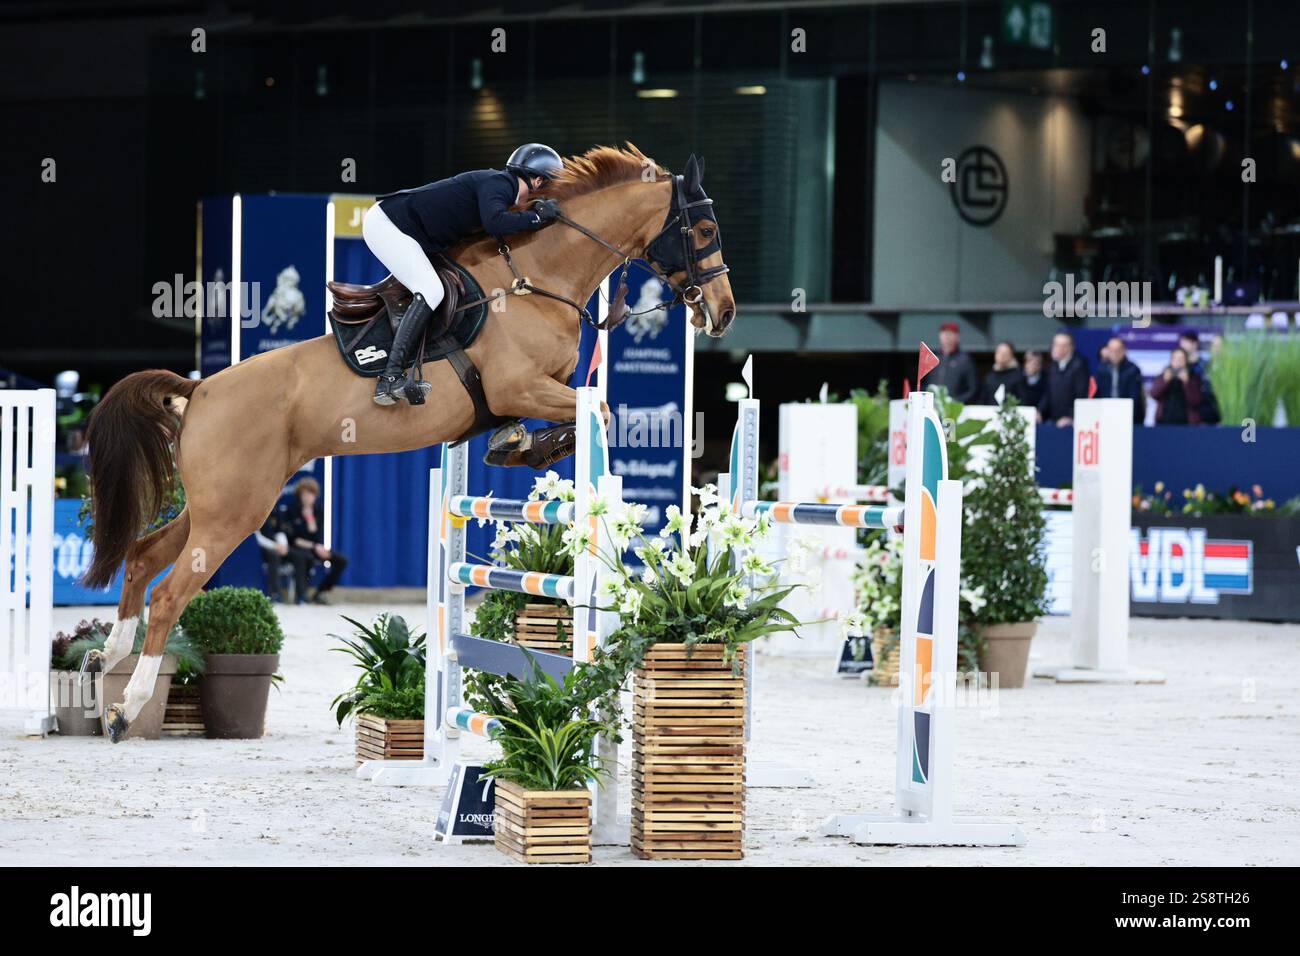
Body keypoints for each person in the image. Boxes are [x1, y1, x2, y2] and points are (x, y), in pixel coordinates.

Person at [362, 144, 565, 406]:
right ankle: (389, 378)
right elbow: (496, 223)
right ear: (537, 181)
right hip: (388, 225)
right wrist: (536, 217)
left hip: (407, 230)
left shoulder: (499, 187)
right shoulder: (500, 183)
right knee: (432, 290)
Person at [280, 477, 349, 604]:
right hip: (297, 549)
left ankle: (321, 592)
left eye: (310, 494)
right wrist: (314, 547)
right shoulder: (292, 509)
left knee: (341, 560)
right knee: (305, 557)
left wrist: (310, 518)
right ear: (299, 495)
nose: (307, 497)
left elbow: (316, 535)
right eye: (304, 494)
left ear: (315, 495)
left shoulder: (318, 510)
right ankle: (301, 596)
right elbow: (294, 539)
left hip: (315, 547)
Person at [1038, 331, 1090, 426]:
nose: (1055, 348)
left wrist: (1071, 417)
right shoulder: (1053, 366)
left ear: (1070, 348)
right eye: (1055, 345)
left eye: (1061, 345)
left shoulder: (1079, 366)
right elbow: (1048, 393)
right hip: (1054, 420)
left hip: (1071, 422)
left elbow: (1081, 395)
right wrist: (1040, 411)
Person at [1096, 336, 1146, 423]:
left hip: (1128, 415)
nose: (1115, 353)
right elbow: (1099, 394)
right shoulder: (1102, 369)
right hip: (1106, 415)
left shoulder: (1133, 369)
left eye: (1118, 350)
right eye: (1111, 350)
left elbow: (1135, 397)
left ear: (1124, 350)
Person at [1150, 347, 1205, 424]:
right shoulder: (1163, 376)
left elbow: (1196, 401)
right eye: (1175, 359)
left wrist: (1187, 383)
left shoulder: (1194, 378)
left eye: (1181, 359)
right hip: (1164, 422)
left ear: (1186, 361)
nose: (1178, 362)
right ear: (1171, 360)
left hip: (1188, 423)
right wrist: (1165, 381)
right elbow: (1154, 395)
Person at [927, 321, 979, 403]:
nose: (946, 337)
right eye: (944, 333)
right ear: (939, 336)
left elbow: (973, 389)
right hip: (932, 407)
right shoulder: (933, 357)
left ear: (957, 336)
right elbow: (925, 383)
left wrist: (955, 403)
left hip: (954, 410)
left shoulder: (965, 360)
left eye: (950, 333)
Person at [1178, 331, 1220, 424]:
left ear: (1195, 344)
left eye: (1186, 342)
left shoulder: (1204, 365)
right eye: (1181, 343)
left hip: (1202, 412)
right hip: (1180, 412)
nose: (1183, 346)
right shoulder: (1176, 366)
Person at [255, 509, 290, 602]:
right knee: (273, 556)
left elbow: (280, 531)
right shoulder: (257, 511)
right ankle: (275, 592)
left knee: (295, 554)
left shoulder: (276, 511)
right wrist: (275, 546)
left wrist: (283, 546)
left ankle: (301, 596)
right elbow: (257, 537)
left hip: (277, 547)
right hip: (261, 548)